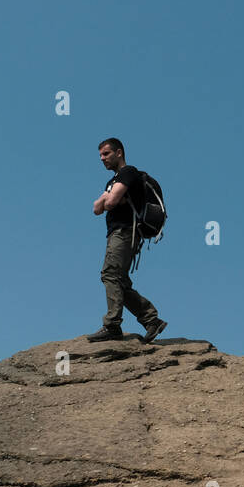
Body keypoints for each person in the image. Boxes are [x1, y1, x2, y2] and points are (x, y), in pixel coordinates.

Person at [87, 137, 167, 343]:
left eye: (106, 154)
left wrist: (109, 199)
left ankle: (112, 325)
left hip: (125, 232)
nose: (102, 159)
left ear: (119, 152)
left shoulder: (128, 172)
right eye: (100, 155)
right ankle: (152, 320)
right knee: (119, 279)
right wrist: (107, 199)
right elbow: (96, 209)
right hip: (118, 233)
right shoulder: (112, 181)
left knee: (110, 274)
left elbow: (110, 202)